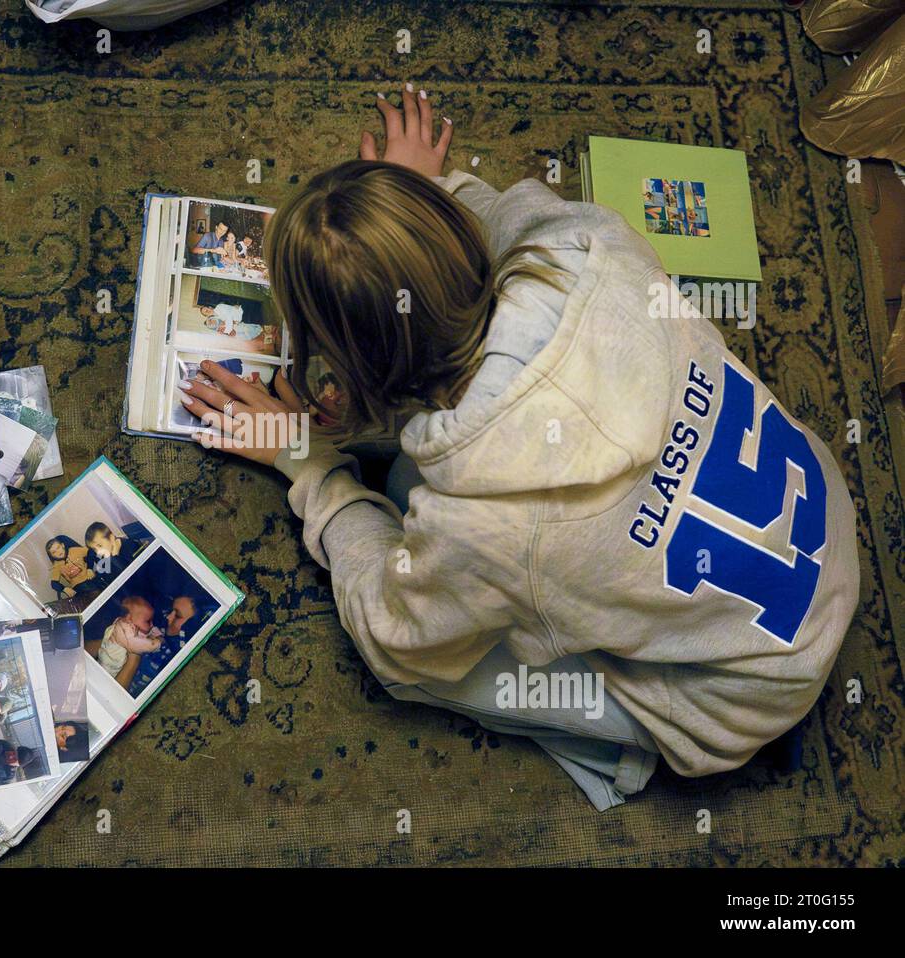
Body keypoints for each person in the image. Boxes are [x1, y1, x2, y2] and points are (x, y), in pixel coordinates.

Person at [177, 85, 859, 811]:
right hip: (821, 515)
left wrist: (310, 464)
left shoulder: (484, 526)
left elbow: (394, 632)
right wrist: (431, 189)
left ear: (358, 371)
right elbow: (505, 215)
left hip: (737, 695)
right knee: (437, 500)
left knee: (421, 658)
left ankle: (623, 746)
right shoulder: (589, 242)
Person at [129, 595, 199, 697]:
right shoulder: (159, 622)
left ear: (190, 625)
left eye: (178, 616)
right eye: (171, 610)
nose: (169, 617)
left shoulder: (176, 657)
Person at [97, 596, 162, 689]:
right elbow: (139, 645)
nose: (151, 624)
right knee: (106, 688)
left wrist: (153, 630)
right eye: (148, 621)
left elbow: (144, 633)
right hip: (109, 670)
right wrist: (158, 642)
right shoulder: (124, 630)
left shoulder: (128, 623)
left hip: (110, 663)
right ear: (129, 618)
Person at [84, 522, 149, 584]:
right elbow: (91, 553)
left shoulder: (130, 546)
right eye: (94, 549)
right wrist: (89, 568)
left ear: (111, 538)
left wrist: (115, 557)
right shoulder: (104, 552)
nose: (98, 552)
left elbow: (134, 578)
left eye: (100, 545)